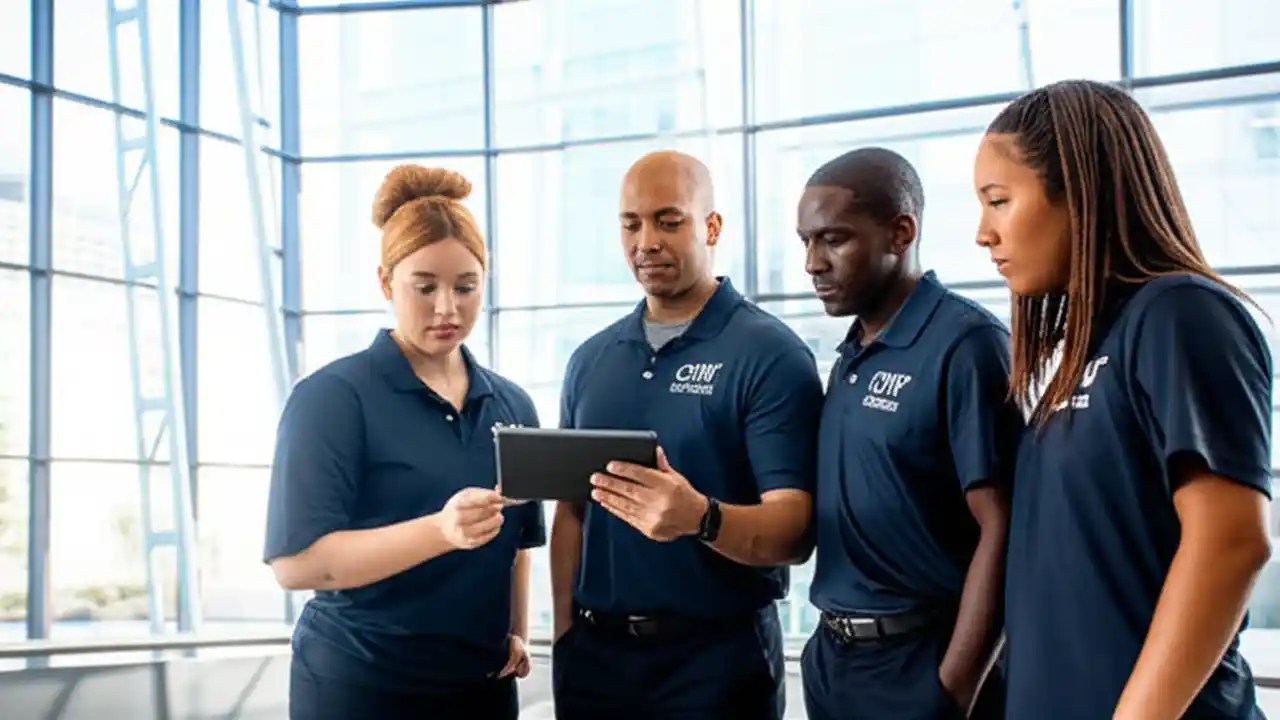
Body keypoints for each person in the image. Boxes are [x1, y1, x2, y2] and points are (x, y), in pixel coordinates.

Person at [974, 79, 1275, 719]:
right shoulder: (1089, 347)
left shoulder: (1180, 313)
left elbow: (1231, 541)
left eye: (999, 201)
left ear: (1080, 194)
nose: (984, 233)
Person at [262, 165, 545, 720]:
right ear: (386, 282)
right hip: (360, 687)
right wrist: (440, 531)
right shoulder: (331, 398)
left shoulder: (513, 405)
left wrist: (516, 630)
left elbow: (517, 543)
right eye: (425, 286)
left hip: (481, 689)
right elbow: (296, 565)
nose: (447, 308)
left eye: (466, 287)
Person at [549, 150, 824, 720]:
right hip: (596, 661)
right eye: (631, 224)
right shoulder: (590, 360)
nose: (646, 242)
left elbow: (795, 530)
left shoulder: (770, 355)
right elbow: (572, 513)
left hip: (717, 663)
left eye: (668, 221)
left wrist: (700, 517)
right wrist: (564, 636)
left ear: (711, 226)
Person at [797, 147, 1020, 720]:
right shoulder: (853, 351)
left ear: (901, 233)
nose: (813, 263)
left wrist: (952, 689)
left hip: (922, 663)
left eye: (834, 240)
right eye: (806, 242)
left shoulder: (966, 344)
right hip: (835, 663)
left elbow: (1003, 526)